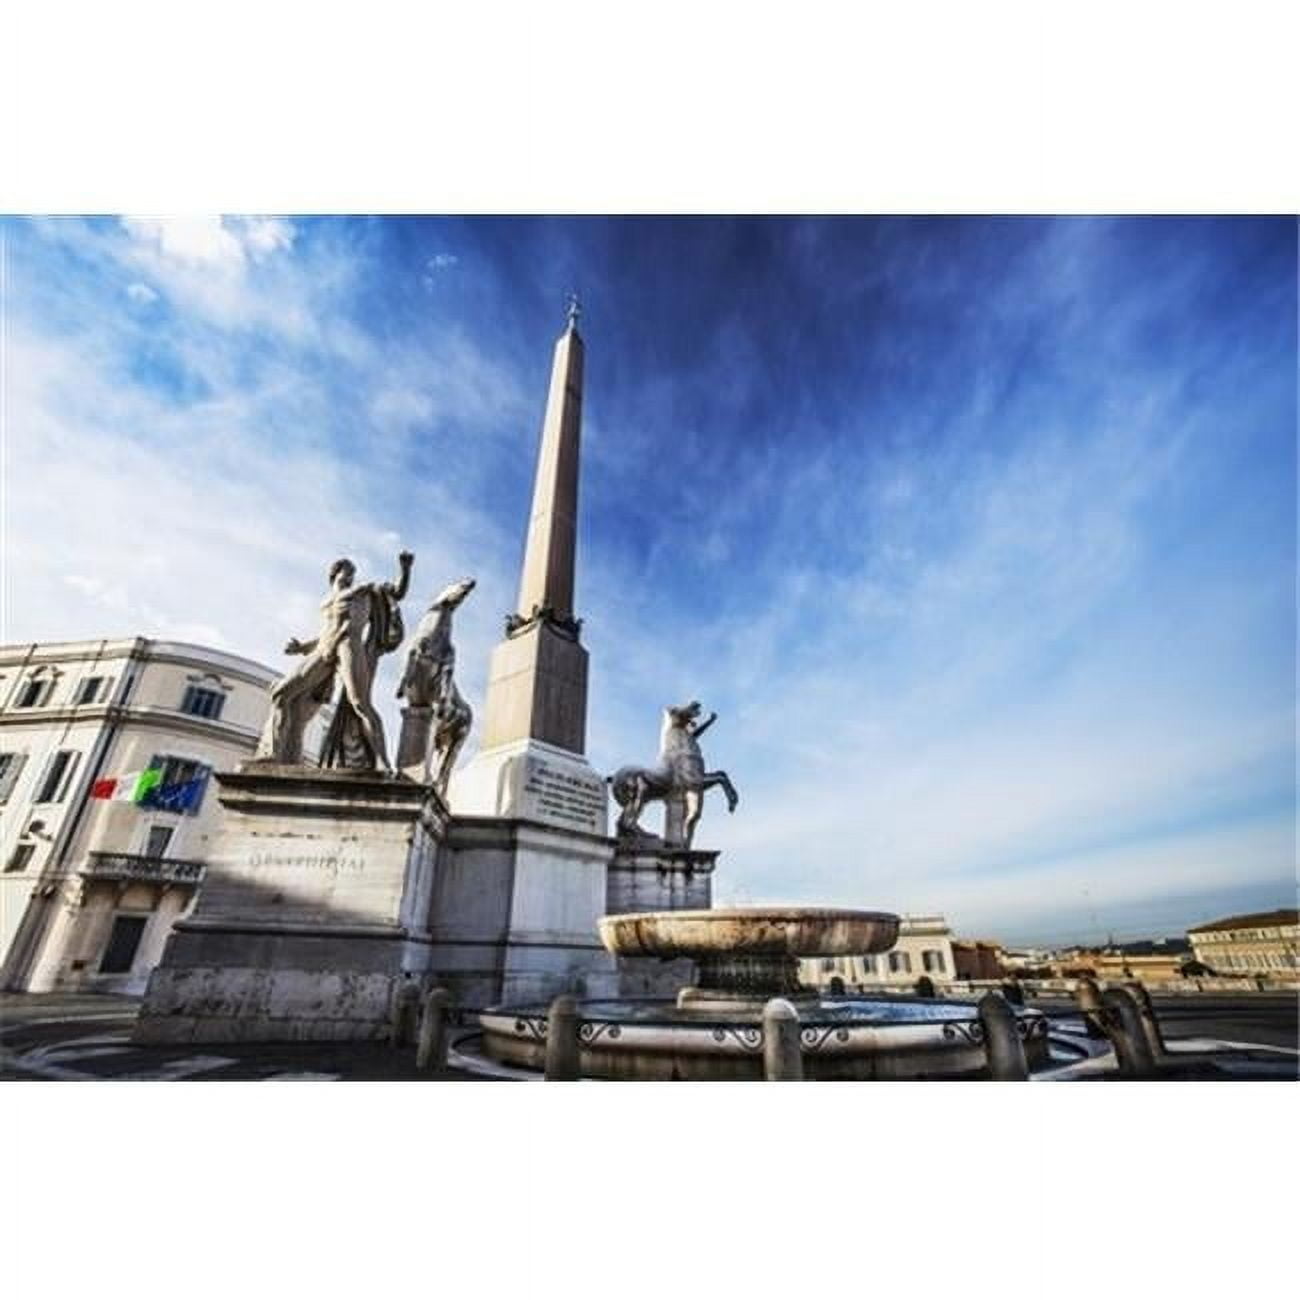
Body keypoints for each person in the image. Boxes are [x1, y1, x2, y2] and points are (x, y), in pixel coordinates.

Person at [258, 551, 412, 770]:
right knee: (282, 694)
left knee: (360, 703)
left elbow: (397, 592)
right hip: (323, 650)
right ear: (335, 574)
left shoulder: (361, 591)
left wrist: (405, 568)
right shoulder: (326, 601)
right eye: (346, 572)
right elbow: (325, 632)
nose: (350, 577)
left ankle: (381, 761)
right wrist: (301, 647)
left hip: (348, 646)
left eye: (352, 574)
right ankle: (276, 754)